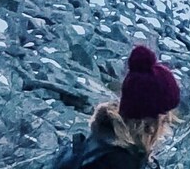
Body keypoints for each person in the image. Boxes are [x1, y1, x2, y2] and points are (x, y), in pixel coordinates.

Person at [53, 45, 181, 169]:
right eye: (164, 120)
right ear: (148, 124)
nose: (164, 130)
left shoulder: (105, 139)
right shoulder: (119, 162)